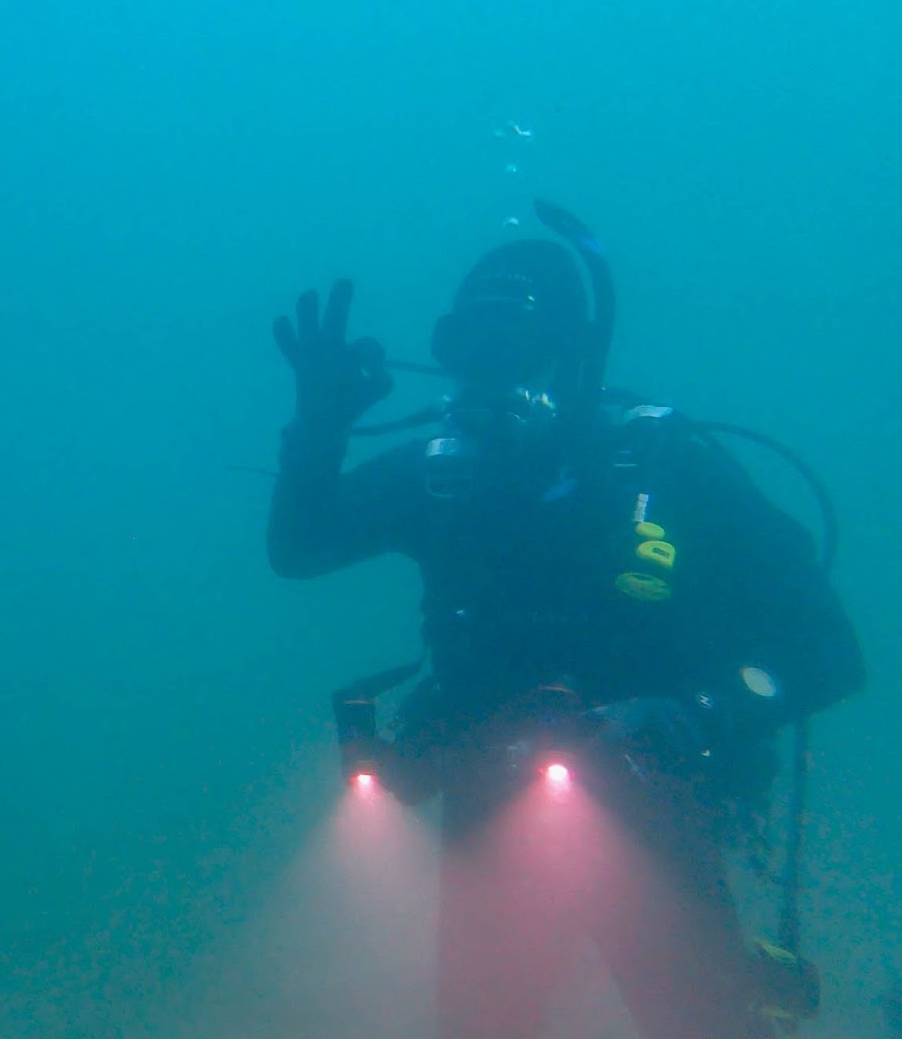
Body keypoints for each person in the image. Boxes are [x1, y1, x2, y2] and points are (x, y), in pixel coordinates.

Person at [267, 202, 865, 1039]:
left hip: (657, 815)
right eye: (464, 348)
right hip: (488, 800)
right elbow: (300, 550)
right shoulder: (443, 478)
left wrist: (692, 712)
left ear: (574, 357)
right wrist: (319, 430)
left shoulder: (665, 468)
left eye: (509, 346)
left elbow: (828, 652)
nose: (482, 376)